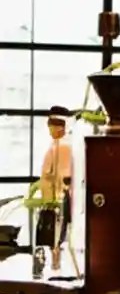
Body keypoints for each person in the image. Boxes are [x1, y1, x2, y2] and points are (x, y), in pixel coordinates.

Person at [35, 105, 74, 275]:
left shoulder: (63, 147)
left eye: (53, 123)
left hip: (58, 200)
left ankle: (56, 269)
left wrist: (52, 199)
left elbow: (63, 177)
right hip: (53, 200)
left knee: (56, 240)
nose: (50, 127)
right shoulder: (58, 146)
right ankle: (55, 267)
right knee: (54, 241)